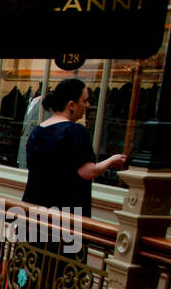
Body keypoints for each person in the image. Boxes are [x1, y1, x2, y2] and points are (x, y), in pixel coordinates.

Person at [22, 78, 127, 224]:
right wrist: (111, 161)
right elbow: (87, 171)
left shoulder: (37, 131)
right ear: (71, 104)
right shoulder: (74, 131)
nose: (88, 105)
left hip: (33, 210)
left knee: (33, 246)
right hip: (64, 217)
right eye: (84, 101)